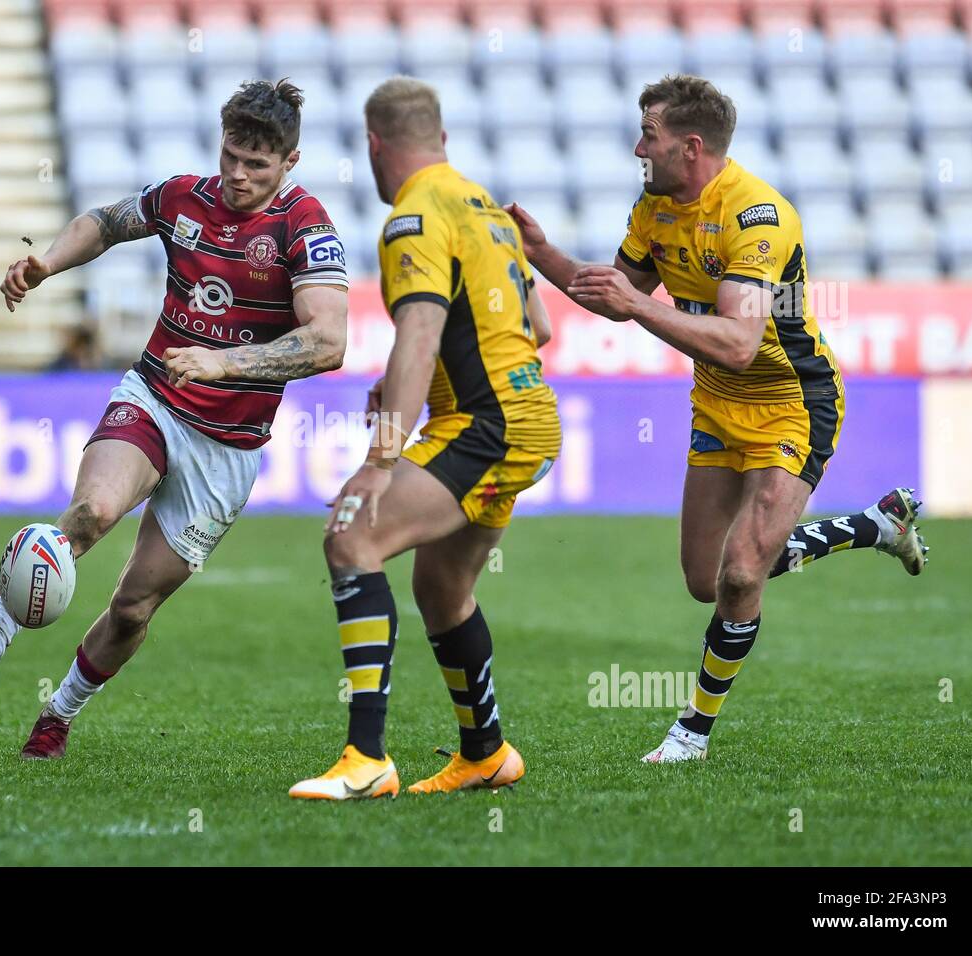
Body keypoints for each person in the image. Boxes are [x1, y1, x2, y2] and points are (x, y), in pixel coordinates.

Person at [507, 74, 927, 764]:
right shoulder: (656, 207)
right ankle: (873, 525)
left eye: (650, 134)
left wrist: (640, 307)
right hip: (716, 405)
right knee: (708, 579)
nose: (638, 146)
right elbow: (620, 296)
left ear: (690, 146)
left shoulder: (756, 214)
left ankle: (690, 734)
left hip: (793, 402)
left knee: (740, 575)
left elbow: (737, 343)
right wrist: (542, 253)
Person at [0, 79, 350, 760]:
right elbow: (106, 221)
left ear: (290, 163)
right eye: (231, 157)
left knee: (132, 608)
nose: (239, 176)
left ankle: (57, 715)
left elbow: (329, 342)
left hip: (229, 444)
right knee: (92, 512)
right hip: (155, 397)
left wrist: (228, 364)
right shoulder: (185, 198)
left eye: (258, 165)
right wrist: (46, 261)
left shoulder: (305, 228)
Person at [289, 77, 560, 799]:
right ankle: (486, 753)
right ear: (440, 139)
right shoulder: (485, 209)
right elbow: (539, 327)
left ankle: (366, 757)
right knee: (442, 586)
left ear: (374, 146)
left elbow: (420, 331)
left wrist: (381, 458)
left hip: (488, 422)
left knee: (352, 534)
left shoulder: (413, 217)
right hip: (522, 414)